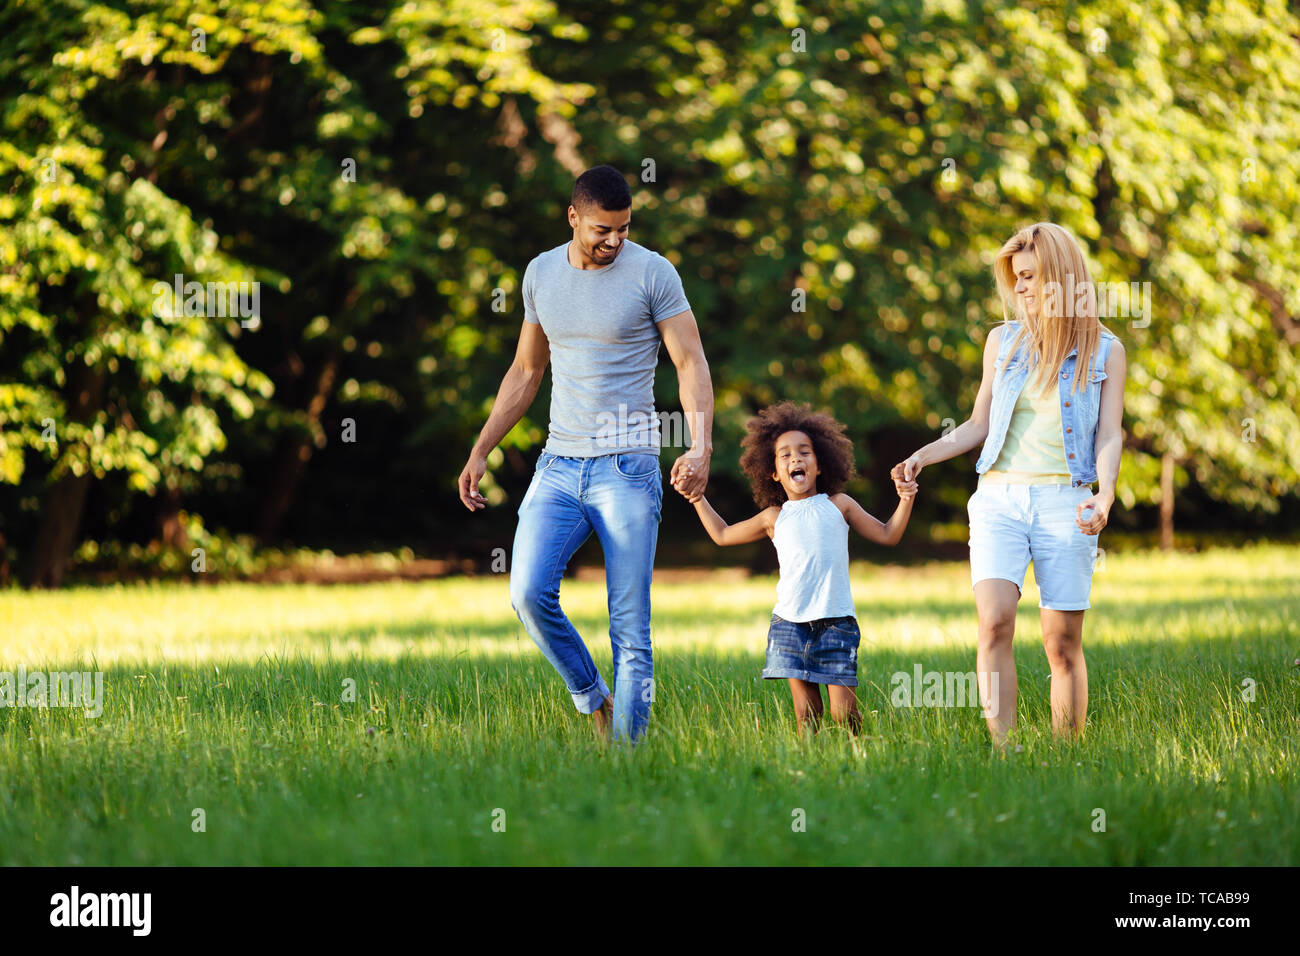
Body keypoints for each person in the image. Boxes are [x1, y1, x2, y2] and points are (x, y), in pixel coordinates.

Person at [457, 165, 713, 743]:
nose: (614, 241)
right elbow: (526, 370)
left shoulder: (654, 273)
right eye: (603, 229)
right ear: (573, 216)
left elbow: (690, 361)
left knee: (629, 626)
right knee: (527, 593)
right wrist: (481, 451)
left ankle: (628, 759)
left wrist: (700, 445)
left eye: (624, 229)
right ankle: (595, 700)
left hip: (629, 467)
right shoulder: (541, 274)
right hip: (558, 466)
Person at [896, 222, 1127, 746]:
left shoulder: (1106, 351)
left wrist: (1105, 494)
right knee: (995, 622)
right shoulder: (1002, 343)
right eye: (1016, 277)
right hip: (999, 499)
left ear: (1061, 277)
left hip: (1066, 502)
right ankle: (1006, 750)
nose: (1020, 287)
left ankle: (1069, 752)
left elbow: (1109, 434)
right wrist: (923, 455)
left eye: (1030, 276)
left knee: (1061, 642)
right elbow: (979, 424)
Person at [675, 401, 917, 735]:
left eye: (804, 452)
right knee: (807, 715)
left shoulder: (840, 505)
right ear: (774, 471)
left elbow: (889, 535)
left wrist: (906, 498)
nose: (795, 459)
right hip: (790, 625)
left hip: (837, 623)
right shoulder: (774, 516)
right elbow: (722, 534)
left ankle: (860, 754)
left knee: (842, 714)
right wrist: (697, 498)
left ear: (820, 465)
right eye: (785, 455)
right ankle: (809, 767)